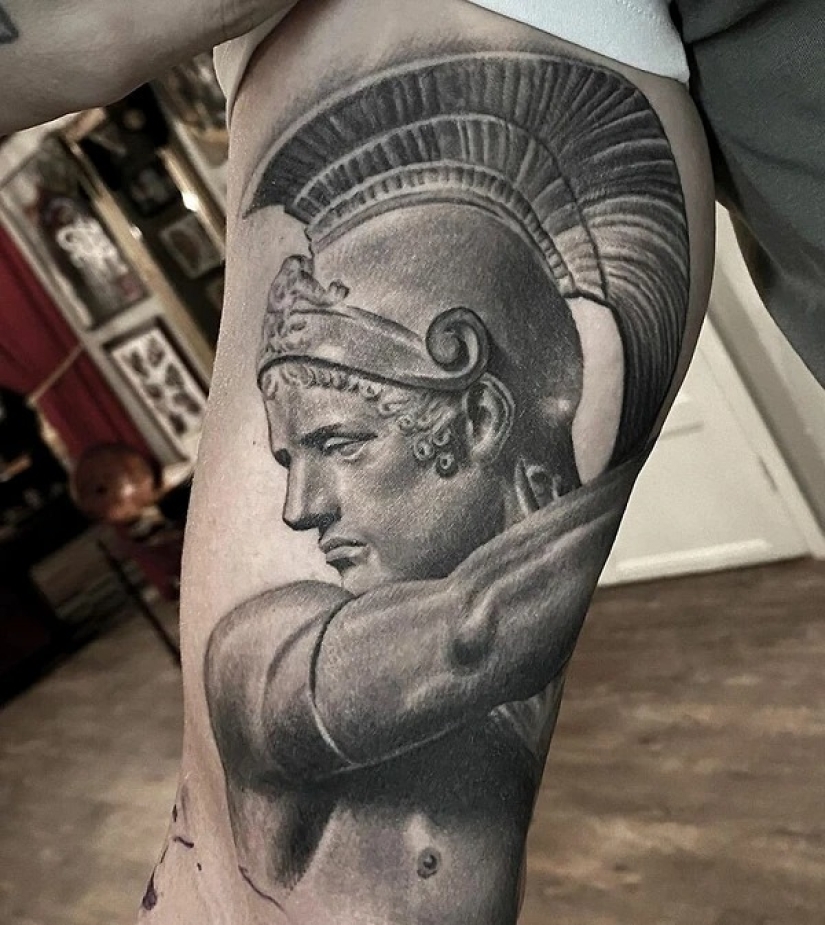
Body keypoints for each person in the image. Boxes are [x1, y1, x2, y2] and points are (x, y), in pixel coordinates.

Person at [0, 1, 818, 923]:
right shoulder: (260, 650)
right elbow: (472, 629)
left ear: (479, 416)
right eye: (291, 455)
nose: (298, 506)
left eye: (339, 443)